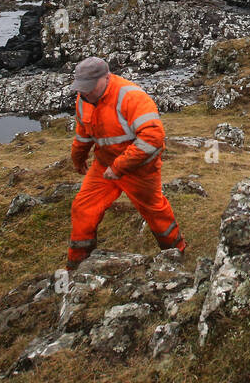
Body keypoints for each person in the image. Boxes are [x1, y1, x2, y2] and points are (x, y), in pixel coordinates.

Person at [65, 56, 185, 271]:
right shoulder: (83, 99)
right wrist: (78, 158)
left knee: (155, 211)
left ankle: (175, 252)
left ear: (107, 78)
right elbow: (83, 134)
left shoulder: (132, 97)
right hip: (103, 166)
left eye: (90, 87)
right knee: (83, 209)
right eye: (81, 87)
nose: (85, 92)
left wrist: (120, 166)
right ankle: (77, 265)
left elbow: (153, 137)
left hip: (140, 170)